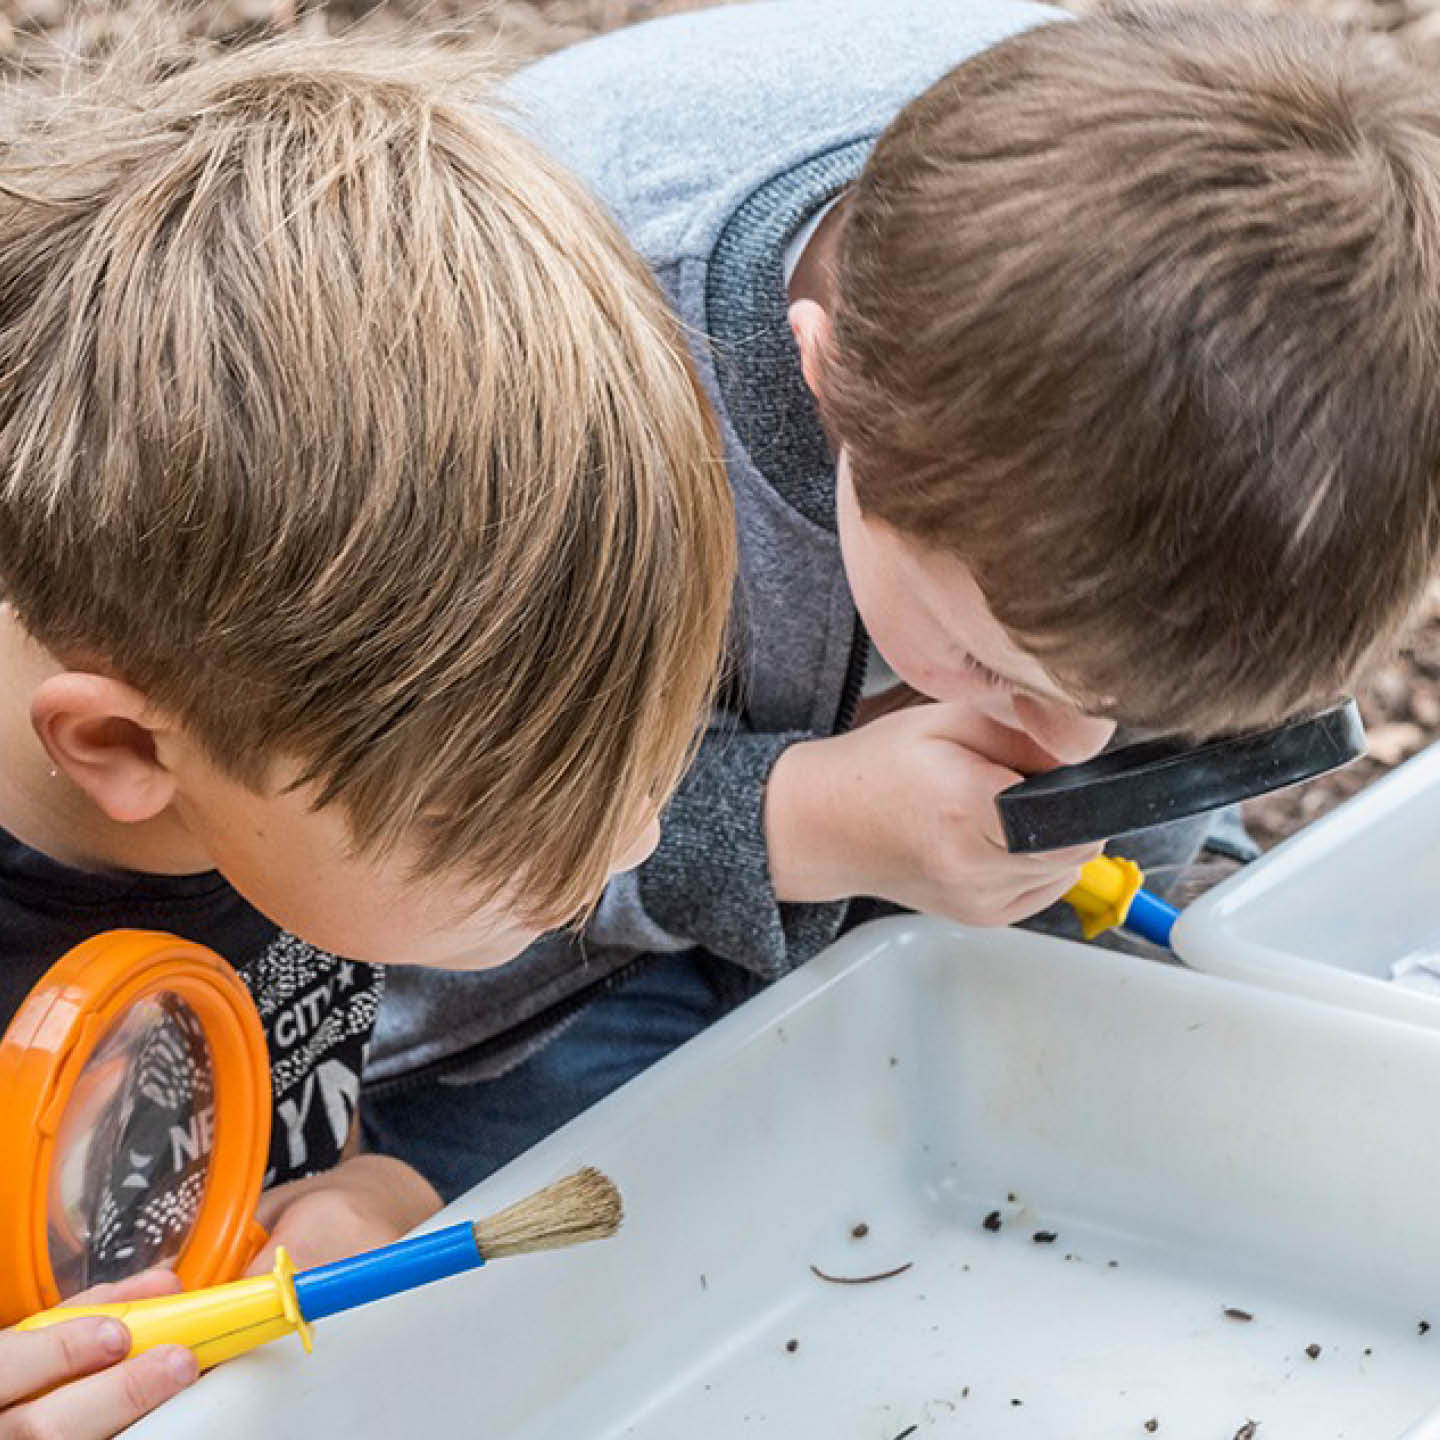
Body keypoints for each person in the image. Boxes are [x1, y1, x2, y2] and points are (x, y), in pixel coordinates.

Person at [365, 0, 1440, 1199]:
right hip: (545, 907)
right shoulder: (548, 390)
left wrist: (1145, 817)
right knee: (685, 1189)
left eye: (1127, 719)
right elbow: (405, 859)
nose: (1072, 747)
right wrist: (792, 823)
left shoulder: (1230, 329)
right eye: (1004, 672)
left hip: (872, 814)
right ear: (824, 377)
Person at [0, 37, 734, 1436]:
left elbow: (317, 1119)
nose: (631, 844)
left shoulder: (267, 754)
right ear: (125, 751)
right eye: (502, 822)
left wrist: (373, 1194)